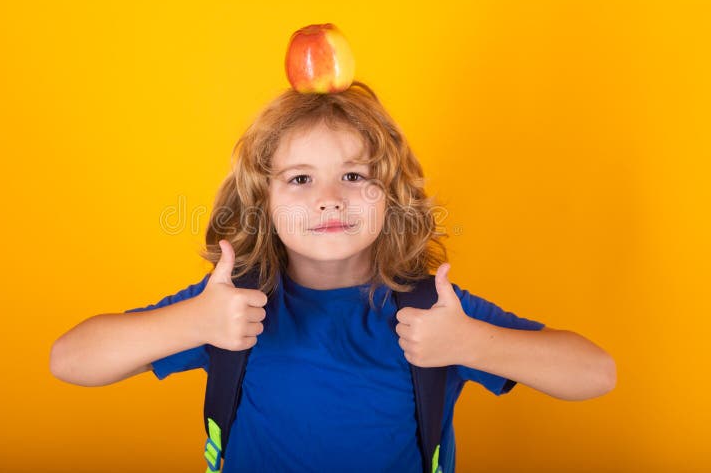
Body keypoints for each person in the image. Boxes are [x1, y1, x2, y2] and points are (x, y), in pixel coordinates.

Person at [50, 81, 616, 472]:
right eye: (299, 179)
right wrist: (192, 320)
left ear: (391, 198)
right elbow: (70, 360)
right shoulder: (229, 304)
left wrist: (471, 342)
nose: (327, 200)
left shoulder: (433, 311)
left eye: (352, 174)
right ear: (261, 202)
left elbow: (596, 373)